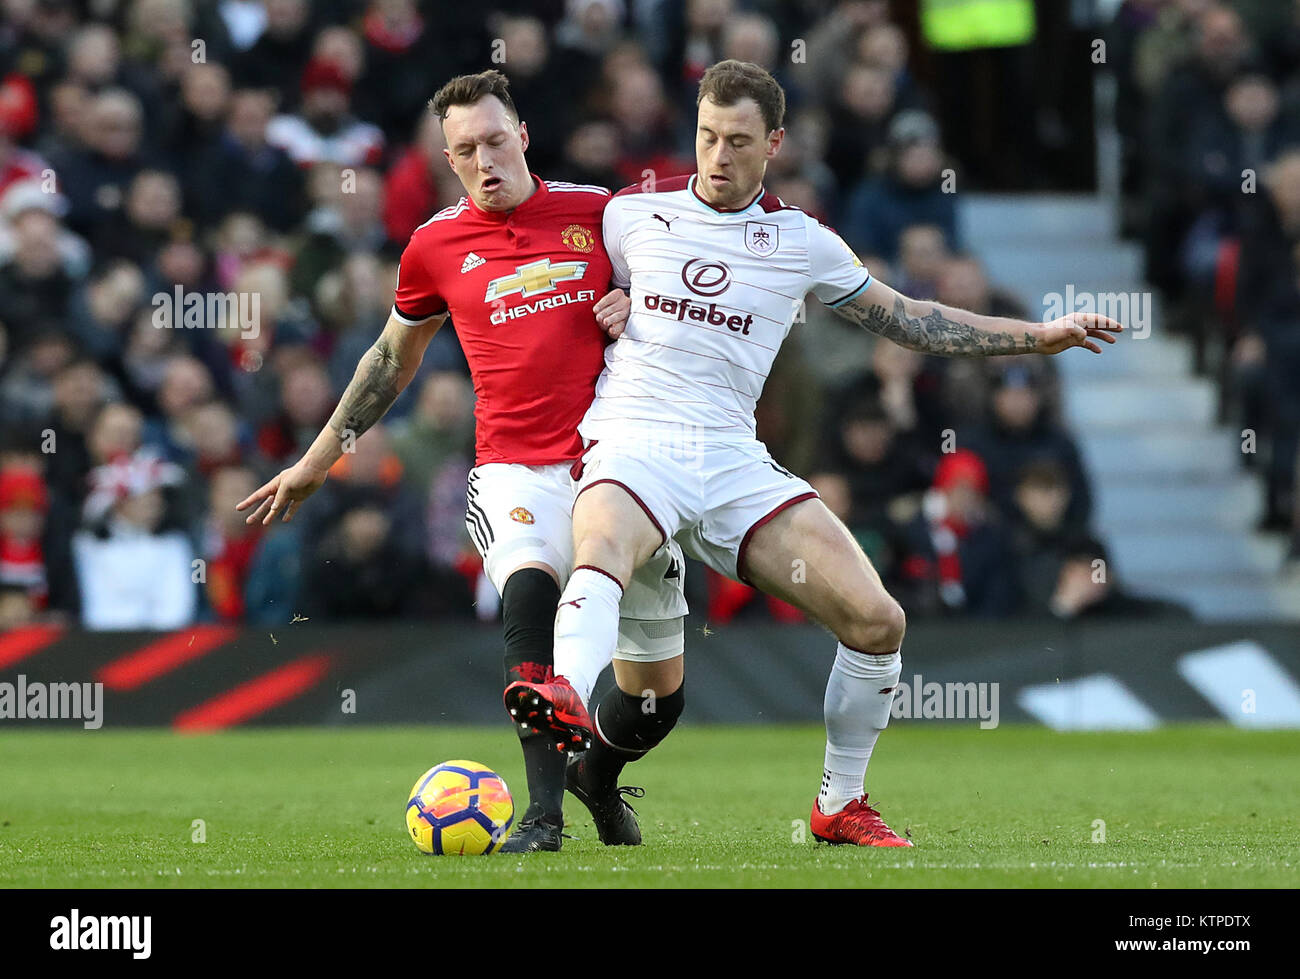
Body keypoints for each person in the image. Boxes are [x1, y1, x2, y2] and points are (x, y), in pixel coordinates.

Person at [507, 59, 1122, 848]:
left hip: (731, 459)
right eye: (705, 137)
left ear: (775, 144)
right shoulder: (631, 216)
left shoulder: (801, 242)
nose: (717, 157)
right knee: (602, 546)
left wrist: (1037, 335)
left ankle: (839, 802)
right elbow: (558, 288)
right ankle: (563, 690)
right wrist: (605, 307)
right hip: (634, 439)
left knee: (877, 621)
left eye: (737, 141)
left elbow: (909, 318)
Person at [235, 70, 687, 853]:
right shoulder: (435, 246)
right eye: (465, 150)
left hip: (619, 465)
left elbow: (681, 300)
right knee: (530, 605)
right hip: (514, 468)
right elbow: (390, 360)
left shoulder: (601, 214)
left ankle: (597, 778)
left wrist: (636, 304)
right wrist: (315, 460)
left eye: (495, 140)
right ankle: (541, 817)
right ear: (449, 160)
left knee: (656, 698)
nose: (484, 159)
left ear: (524, 137)